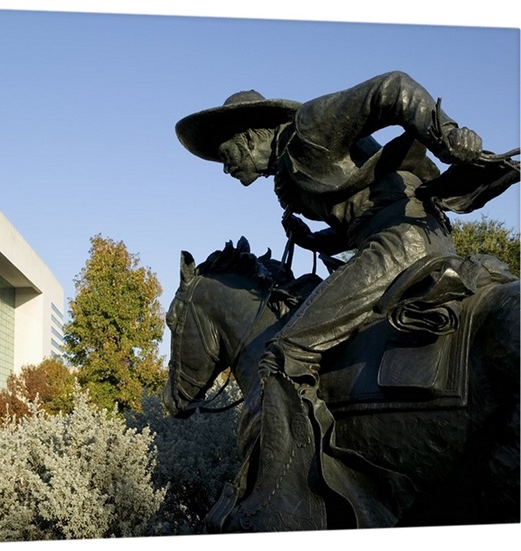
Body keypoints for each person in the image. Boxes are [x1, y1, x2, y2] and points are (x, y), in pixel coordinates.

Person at [175, 71, 493, 530]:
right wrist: (316, 239)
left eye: (226, 156)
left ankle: (283, 503)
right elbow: (363, 213)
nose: (226, 169)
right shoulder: (290, 173)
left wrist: (447, 137)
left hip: (400, 244)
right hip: (406, 238)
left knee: (284, 353)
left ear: (248, 136)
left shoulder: (311, 127)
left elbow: (391, 89)